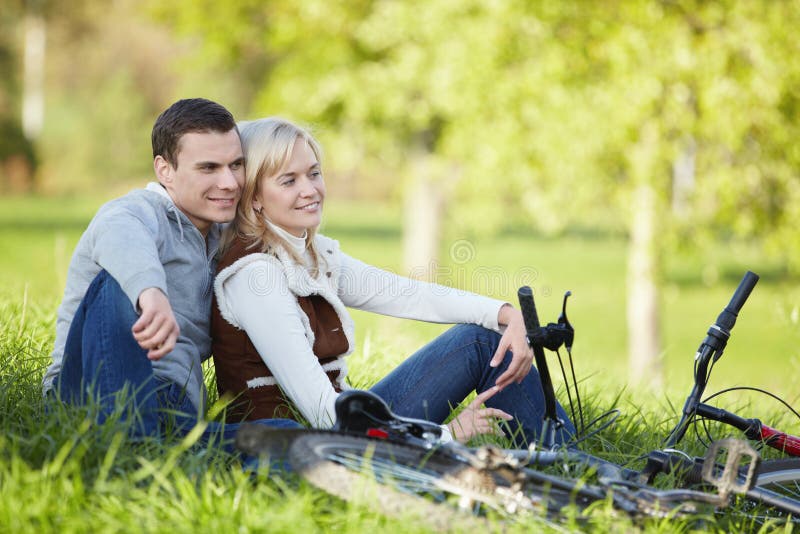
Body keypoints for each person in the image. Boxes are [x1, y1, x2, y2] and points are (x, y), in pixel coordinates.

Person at [211, 117, 575, 446]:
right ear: (254, 198)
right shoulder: (255, 276)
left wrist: (506, 314)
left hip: (343, 427)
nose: (310, 190)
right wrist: (445, 435)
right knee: (480, 341)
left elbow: (409, 294)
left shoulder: (307, 252)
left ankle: (567, 457)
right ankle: (573, 463)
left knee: (482, 336)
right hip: (308, 447)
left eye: (314, 173)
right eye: (289, 180)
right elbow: (324, 414)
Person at [42, 99, 299, 443]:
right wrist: (150, 292)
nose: (229, 183)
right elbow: (118, 229)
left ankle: (156, 447)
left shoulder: (227, 236)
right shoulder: (140, 211)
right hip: (87, 390)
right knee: (114, 281)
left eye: (236, 165)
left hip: (173, 404)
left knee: (287, 436)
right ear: (165, 170)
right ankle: (129, 441)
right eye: (208, 168)